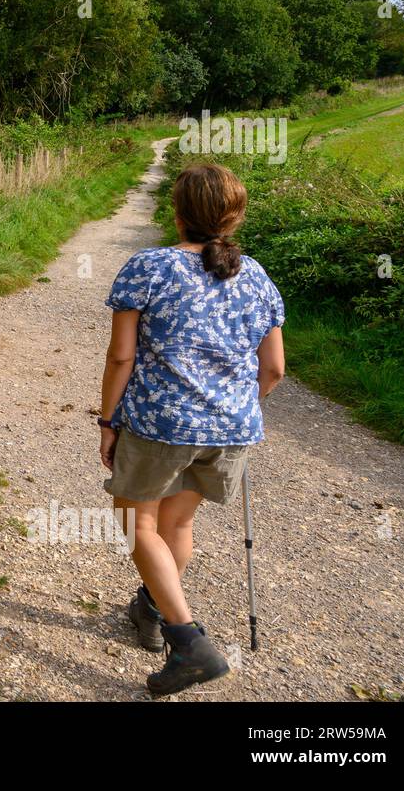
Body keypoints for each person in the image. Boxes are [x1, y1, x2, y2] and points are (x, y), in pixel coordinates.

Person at [98, 162, 286, 696]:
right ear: (235, 217)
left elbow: (121, 357)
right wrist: (232, 407)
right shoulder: (257, 276)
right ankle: (153, 609)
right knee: (176, 525)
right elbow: (272, 369)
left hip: (161, 422)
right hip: (232, 429)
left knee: (139, 525)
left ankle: (189, 642)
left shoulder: (149, 268)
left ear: (176, 213)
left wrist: (108, 421)